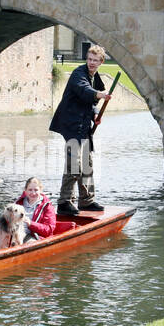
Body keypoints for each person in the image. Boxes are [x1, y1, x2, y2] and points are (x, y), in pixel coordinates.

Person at [50, 43, 106, 215]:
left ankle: (86, 201)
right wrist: (99, 95)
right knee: (74, 165)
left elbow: (91, 102)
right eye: (90, 59)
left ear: (101, 62)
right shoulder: (78, 74)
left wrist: (95, 115)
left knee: (87, 165)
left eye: (95, 60)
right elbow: (84, 91)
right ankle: (64, 202)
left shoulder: (95, 77)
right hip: (71, 125)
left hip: (84, 126)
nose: (92, 63)